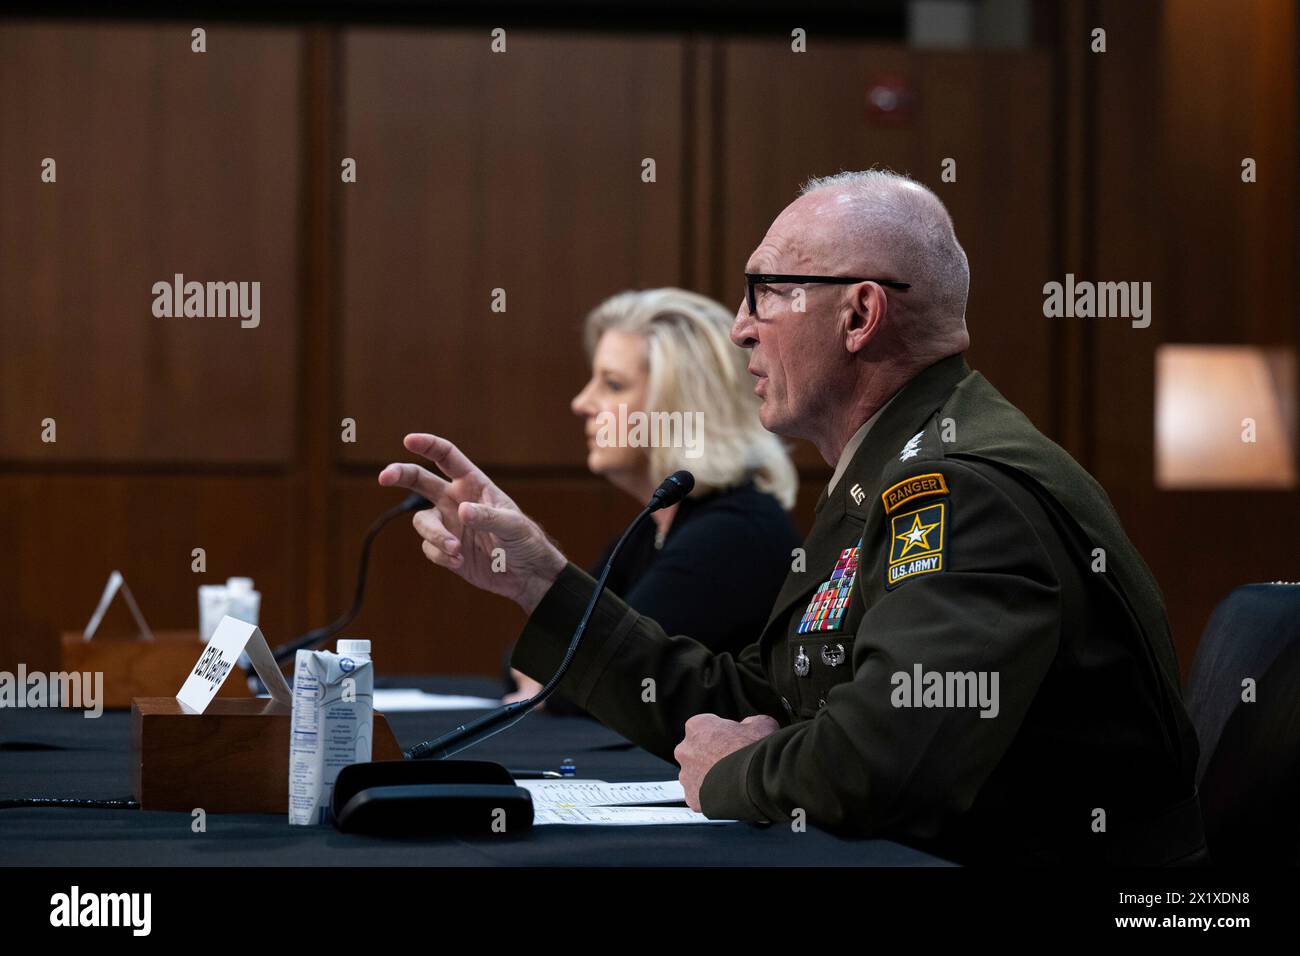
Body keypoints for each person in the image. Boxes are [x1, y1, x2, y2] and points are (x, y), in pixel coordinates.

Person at [378, 169, 1207, 865]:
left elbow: (884, 762)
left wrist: (737, 775)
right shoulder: (888, 472)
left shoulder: (961, 490)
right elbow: (759, 696)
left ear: (859, 315)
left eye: (767, 292)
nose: (740, 327)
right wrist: (543, 583)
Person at [503, 288, 801, 707]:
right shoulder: (656, 525)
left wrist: (554, 674)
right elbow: (536, 652)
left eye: (612, 384)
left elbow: (597, 681)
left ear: (681, 407)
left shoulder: (732, 534)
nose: (582, 403)